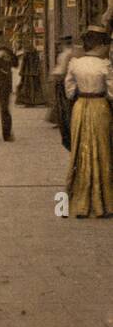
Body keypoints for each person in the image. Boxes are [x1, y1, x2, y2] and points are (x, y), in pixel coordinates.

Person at [63, 26, 113, 217]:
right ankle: (104, 203)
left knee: (80, 150)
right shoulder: (105, 65)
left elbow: (69, 91)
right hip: (100, 107)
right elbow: (111, 92)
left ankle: (79, 199)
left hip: (80, 107)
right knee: (102, 150)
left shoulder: (75, 63)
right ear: (100, 45)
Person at [51, 36, 76, 150]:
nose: (60, 45)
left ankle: (65, 122)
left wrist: (56, 75)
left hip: (62, 81)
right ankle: (62, 121)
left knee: (64, 104)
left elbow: (63, 69)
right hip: (61, 80)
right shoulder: (65, 53)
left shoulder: (67, 54)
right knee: (61, 104)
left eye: (61, 43)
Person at [17, 40, 45, 106]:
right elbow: (38, 63)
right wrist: (38, 71)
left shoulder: (26, 54)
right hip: (34, 73)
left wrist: (21, 72)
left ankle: (29, 102)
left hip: (27, 73)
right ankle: (35, 101)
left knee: (27, 88)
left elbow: (24, 64)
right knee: (35, 87)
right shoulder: (35, 53)